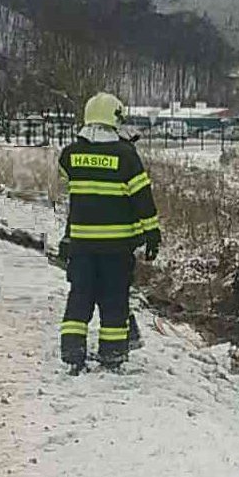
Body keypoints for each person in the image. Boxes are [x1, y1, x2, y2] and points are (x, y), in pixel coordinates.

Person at [58, 92, 161, 373]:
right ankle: (113, 353)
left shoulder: (71, 155)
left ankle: (72, 349)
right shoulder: (127, 157)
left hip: (81, 246)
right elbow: (143, 200)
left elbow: (73, 183)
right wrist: (152, 236)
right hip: (117, 249)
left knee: (80, 296)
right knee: (114, 300)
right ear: (115, 118)